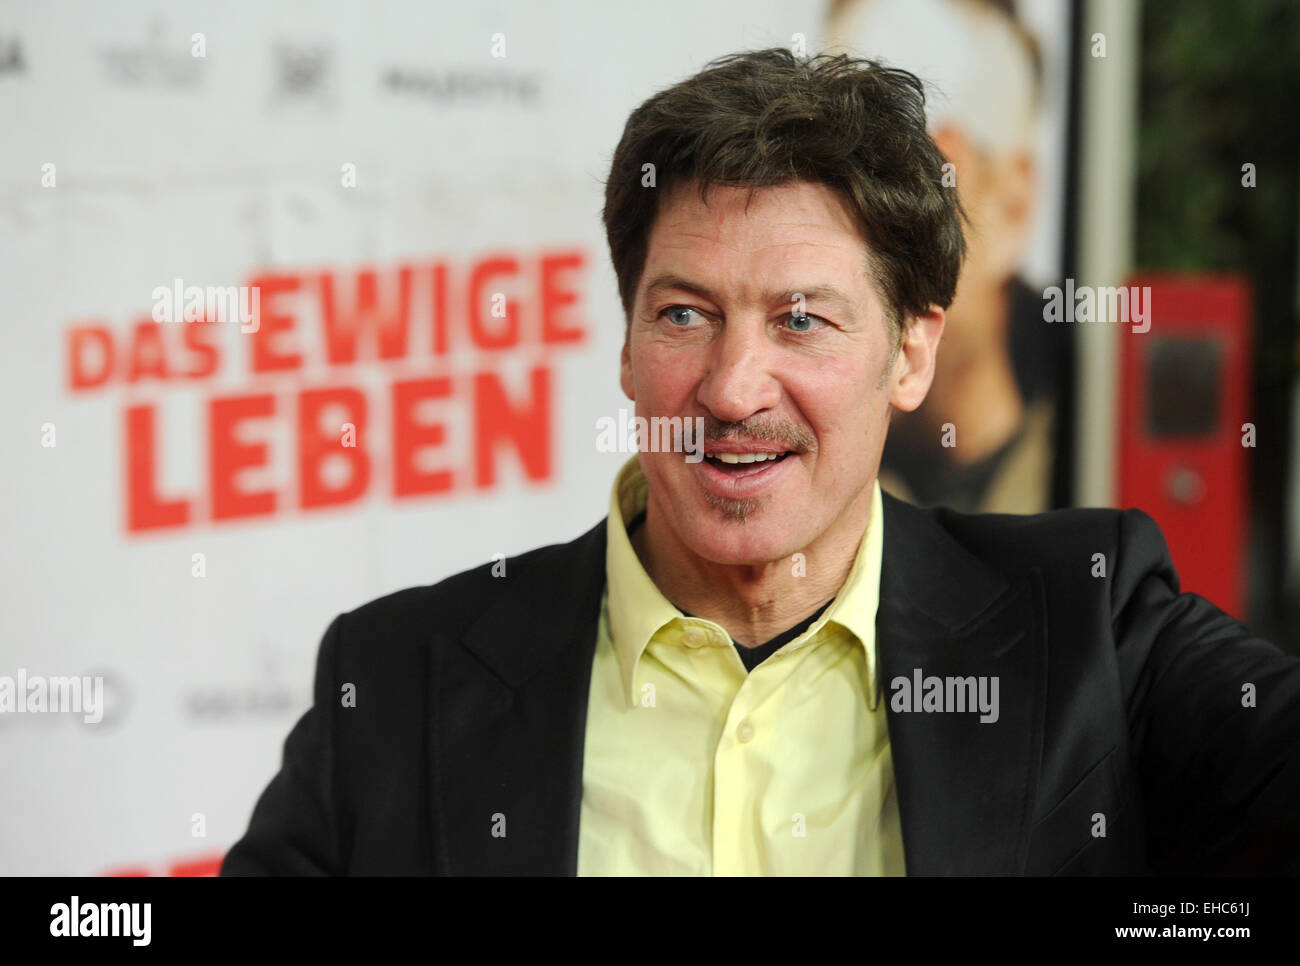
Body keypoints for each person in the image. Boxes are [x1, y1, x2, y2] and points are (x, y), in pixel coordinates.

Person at [221, 48, 1300, 876]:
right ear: (627, 345)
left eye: (801, 321)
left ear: (911, 351)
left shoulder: (1091, 626)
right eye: (684, 314)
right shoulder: (399, 680)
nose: (732, 390)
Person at [826, 0, 1073, 513]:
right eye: (830, 174)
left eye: (909, 175)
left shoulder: (1097, 447)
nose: (865, 213)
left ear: (1014, 207)